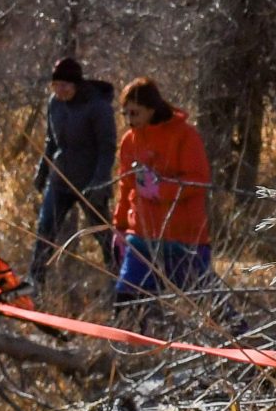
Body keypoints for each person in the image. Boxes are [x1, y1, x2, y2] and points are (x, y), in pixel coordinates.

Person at [112, 77, 213, 304]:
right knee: (126, 300)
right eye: (125, 114)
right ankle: (137, 339)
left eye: (134, 113)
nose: (129, 120)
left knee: (206, 304)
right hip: (141, 236)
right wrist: (118, 228)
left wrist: (160, 190)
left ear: (151, 109)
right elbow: (125, 186)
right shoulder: (130, 140)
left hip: (183, 237)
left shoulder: (185, 135)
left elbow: (199, 179)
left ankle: (240, 339)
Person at [30, 57, 116, 288]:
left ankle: (120, 281)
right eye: (56, 86)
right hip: (60, 181)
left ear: (77, 84)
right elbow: (51, 141)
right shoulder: (54, 104)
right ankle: (35, 284)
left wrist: (99, 183)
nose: (60, 91)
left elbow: (107, 148)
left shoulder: (98, 107)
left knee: (103, 235)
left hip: (90, 183)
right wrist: (42, 171)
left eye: (65, 86)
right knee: (45, 230)